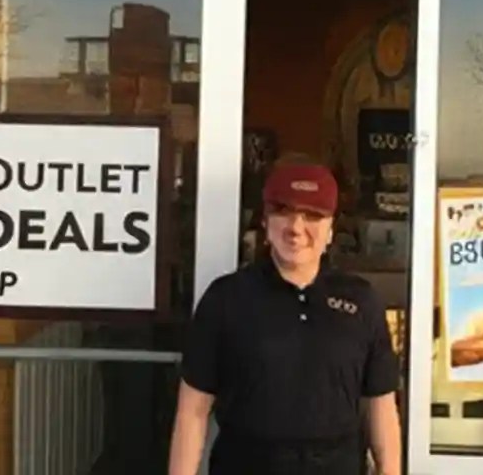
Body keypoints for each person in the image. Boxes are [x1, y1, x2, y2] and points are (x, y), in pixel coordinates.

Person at [168, 160, 403, 475]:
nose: (296, 228)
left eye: (312, 216)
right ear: (265, 223)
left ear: (332, 229)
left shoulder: (361, 301)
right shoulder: (227, 298)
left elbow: (381, 405)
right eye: (284, 212)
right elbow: (192, 411)